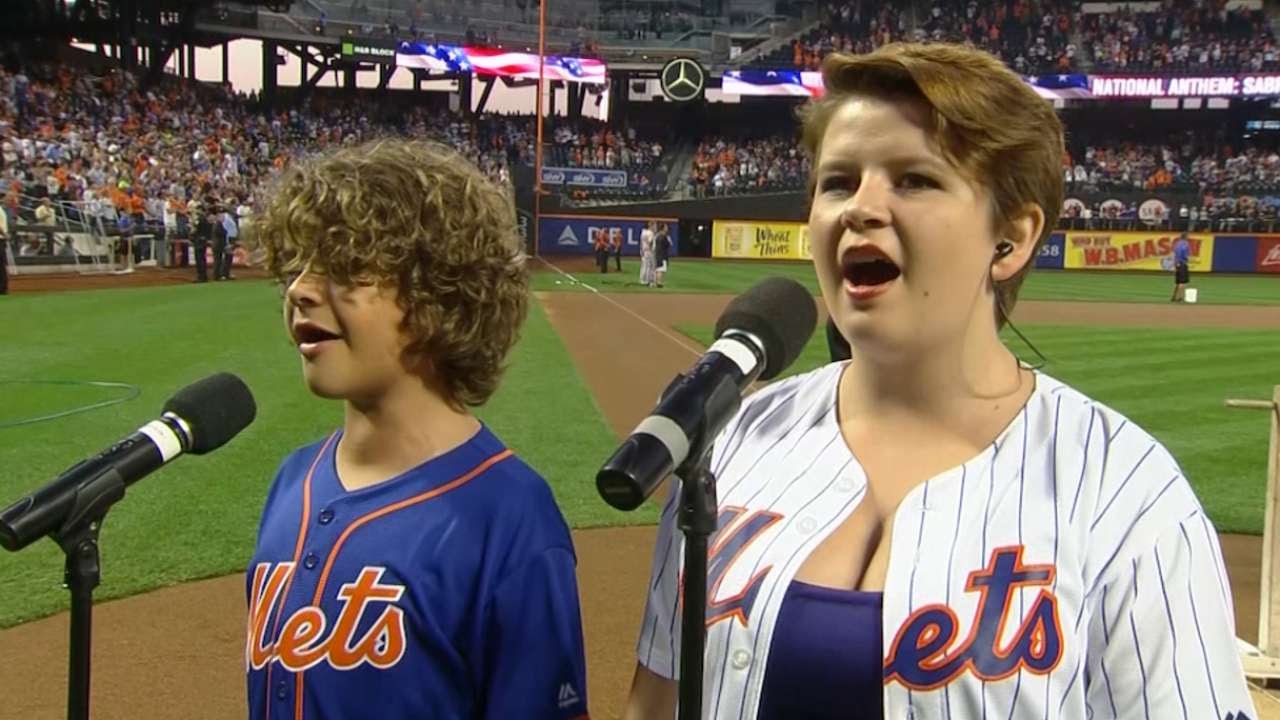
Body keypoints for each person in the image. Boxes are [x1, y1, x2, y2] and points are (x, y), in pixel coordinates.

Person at [624, 42, 1254, 720]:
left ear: (1009, 238)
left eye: (914, 179)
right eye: (837, 182)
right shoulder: (731, 440)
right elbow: (654, 705)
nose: (858, 209)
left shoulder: (1124, 490)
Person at [246, 138, 591, 720]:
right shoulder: (291, 480)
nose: (300, 289)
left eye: (347, 267)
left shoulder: (507, 516)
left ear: (437, 295)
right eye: (299, 264)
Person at [1171, 231, 1191, 302]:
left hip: (1177, 264)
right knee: (1183, 282)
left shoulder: (1177, 244)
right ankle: (1180, 297)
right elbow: (1185, 255)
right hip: (1183, 264)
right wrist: (1187, 259)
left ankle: (1173, 297)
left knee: (1177, 282)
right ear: (1186, 237)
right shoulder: (1186, 244)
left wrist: (1175, 264)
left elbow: (1175, 254)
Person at [639, 221, 656, 287]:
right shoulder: (650, 233)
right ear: (650, 226)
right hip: (649, 251)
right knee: (650, 266)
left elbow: (641, 243)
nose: (655, 227)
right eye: (654, 225)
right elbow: (650, 242)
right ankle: (648, 281)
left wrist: (642, 250)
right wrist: (651, 249)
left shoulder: (643, 232)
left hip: (644, 250)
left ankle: (642, 280)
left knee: (644, 266)